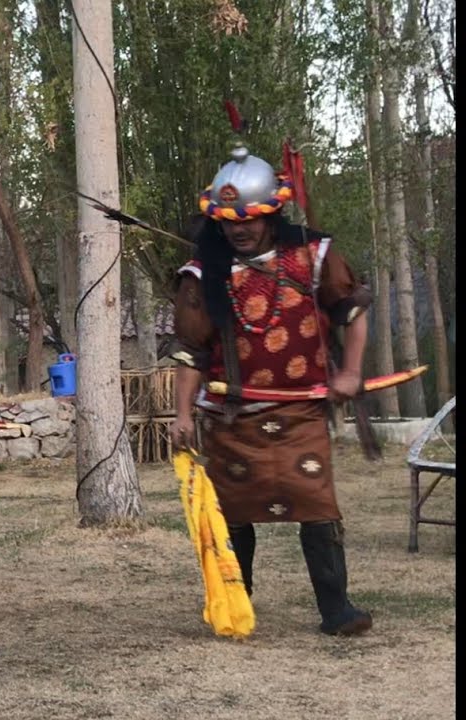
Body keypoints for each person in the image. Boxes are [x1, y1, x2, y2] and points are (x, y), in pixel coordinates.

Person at [169, 143, 374, 636]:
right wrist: (180, 416)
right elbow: (191, 353)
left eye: (250, 219)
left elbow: (353, 311)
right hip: (231, 418)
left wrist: (349, 373)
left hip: (303, 413)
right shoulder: (202, 275)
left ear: (273, 212)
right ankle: (239, 605)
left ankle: (336, 609)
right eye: (229, 221)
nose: (239, 229)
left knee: (317, 505)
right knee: (234, 514)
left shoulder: (312, 257)